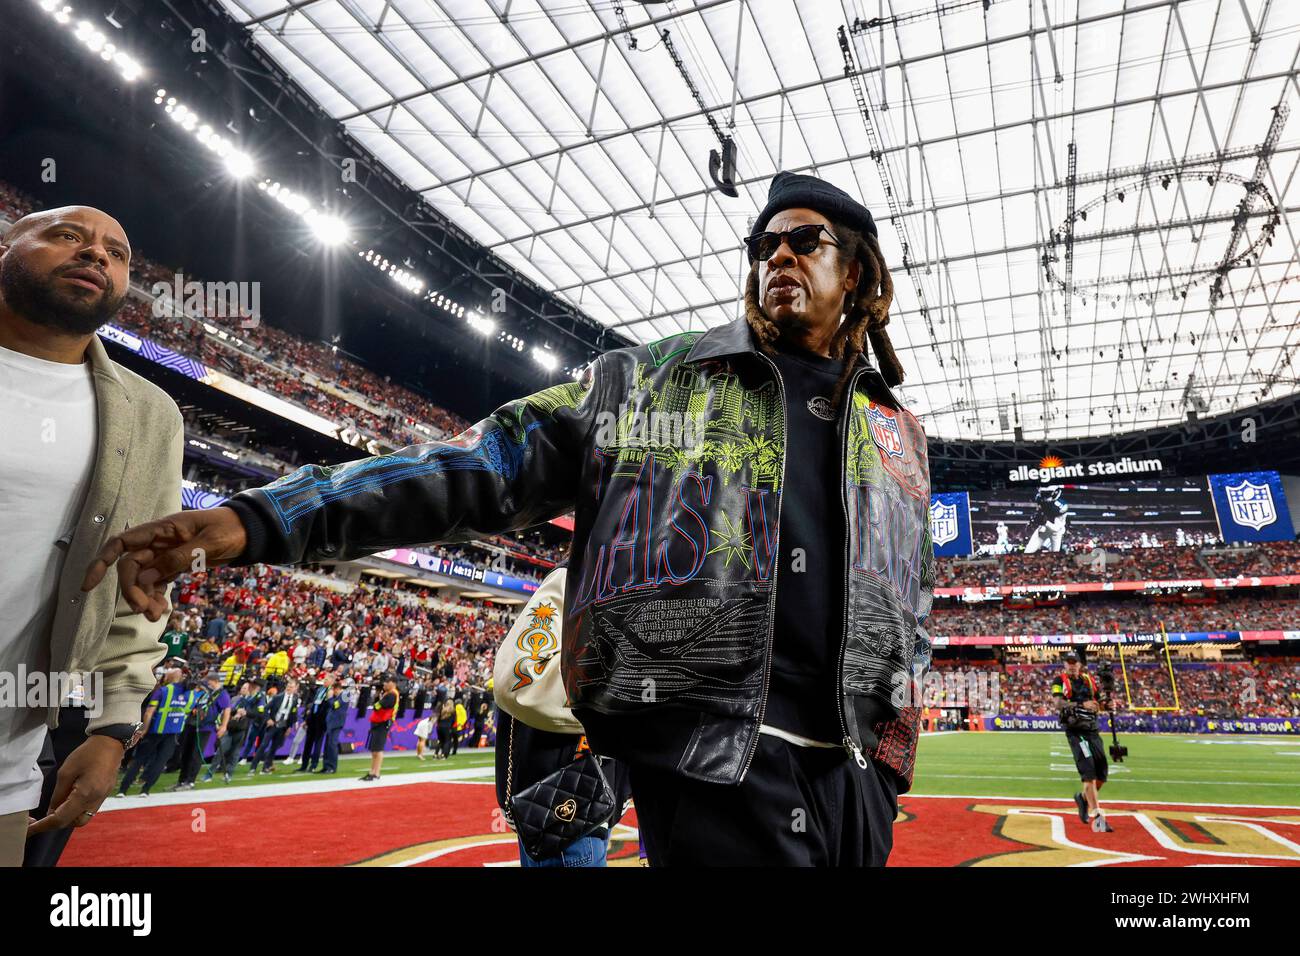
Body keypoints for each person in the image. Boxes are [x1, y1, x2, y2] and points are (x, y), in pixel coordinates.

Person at [82, 170, 935, 867]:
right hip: (719, 768)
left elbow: (913, 615)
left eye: (804, 240)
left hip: (855, 785)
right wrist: (265, 516)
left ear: (854, 270)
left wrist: (888, 775)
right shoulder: (652, 384)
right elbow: (483, 465)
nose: (778, 255)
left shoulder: (897, 440)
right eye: (764, 245)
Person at [1, 206, 183, 865]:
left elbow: (142, 580)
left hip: (9, 772)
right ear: (7, 245)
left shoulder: (149, 415)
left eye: (117, 251)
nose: (95, 255)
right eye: (68, 236)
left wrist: (111, 728)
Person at [1052, 652, 1114, 832]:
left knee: (1102, 774)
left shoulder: (1089, 680)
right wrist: (1081, 705)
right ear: (1065, 664)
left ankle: (1083, 799)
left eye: (1075, 662)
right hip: (1076, 731)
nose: (1071, 665)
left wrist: (1107, 705)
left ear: (1080, 664)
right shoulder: (1059, 681)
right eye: (1068, 662)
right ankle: (1098, 818)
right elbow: (1058, 703)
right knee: (1089, 773)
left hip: (1092, 730)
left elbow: (1098, 703)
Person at [115, 668, 195, 797]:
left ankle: (123, 790)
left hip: (155, 730)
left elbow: (149, 712)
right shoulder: (190, 694)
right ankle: (145, 790)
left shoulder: (163, 691)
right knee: (160, 762)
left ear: (168, 677)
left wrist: (144, 729)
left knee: (139, 760)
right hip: (174, 733)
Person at [176, 672, 229, 788]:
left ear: (214, 681)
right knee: (186, 753)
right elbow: (198, 704)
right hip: (192, 724)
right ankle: (181, 780)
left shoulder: (222, 694)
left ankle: (190, 781)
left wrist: (223, 726)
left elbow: (227, 709)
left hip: (205, 727)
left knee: (196, 754)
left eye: (208, 682)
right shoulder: (205, 693)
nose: (206, 684)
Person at [255, 678, 299, 773]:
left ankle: (266, 766)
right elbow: (265, 709)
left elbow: (292, 714)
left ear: (295, 688)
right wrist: (268, 719)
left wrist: (290, 726)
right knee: (264, 745)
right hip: (273, 724)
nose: (289, 688)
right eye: (288, 686)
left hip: (283, 726)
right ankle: (254, 766)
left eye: (291, 687)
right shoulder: (278, 697)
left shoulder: (295, 700)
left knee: (275, 746)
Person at [362, 677, 399, 781]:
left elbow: (378, 706)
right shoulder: (388, 694)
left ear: (392, 683)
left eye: (386, 682)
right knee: (374, 750)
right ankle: (372, 771)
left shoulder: (392, 694)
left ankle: (376, 773)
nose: (384, 685)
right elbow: (377, 705)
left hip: (383, 723)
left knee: (378, 749)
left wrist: (377, 703)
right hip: (378, 722)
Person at [298, 675, 334, 773]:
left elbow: (330, 706)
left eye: (327, 679)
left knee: (317, 744)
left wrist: (329, 697)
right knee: (308, 743)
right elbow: (314, 704)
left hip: (321, 720)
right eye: (324, 679)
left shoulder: (330, 692)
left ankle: (313, 765)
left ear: (331, 681)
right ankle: (304, 765)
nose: (324, 681)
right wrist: (307, 720)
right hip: (313, 719)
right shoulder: (320, 690)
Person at [319, 682, 347, 774]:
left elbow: (335, 705)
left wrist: (330, 698)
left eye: (333, 690)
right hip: (330, 723)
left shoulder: (345, 696)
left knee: (332, 745)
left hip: (337, 724)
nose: (332, 692)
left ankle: (332, 767)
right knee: (327, 745)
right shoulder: (337, 696)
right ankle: (326, 766)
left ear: (337, 689)